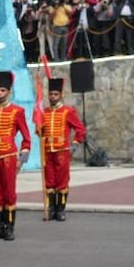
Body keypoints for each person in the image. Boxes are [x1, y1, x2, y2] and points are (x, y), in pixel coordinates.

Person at [0, 71, 31, 240]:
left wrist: (21, 159)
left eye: (3, 91)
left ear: (9, 92)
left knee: (9, 193)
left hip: (9, 157)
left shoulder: (18, 111)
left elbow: (26, 138)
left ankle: (9, 227)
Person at [36, 78, 86, 221]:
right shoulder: (43, 112)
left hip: (62, 151)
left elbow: (80, 130)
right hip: (47, 151)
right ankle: (51, 209)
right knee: (49, 181)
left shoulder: (68, 112)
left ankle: (61, 209)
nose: (53, 97)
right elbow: (40, 131)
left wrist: (74, 145)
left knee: (62, 181)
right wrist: (39, 130)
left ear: (61, 95)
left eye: (55, 94)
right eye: (51, 94)